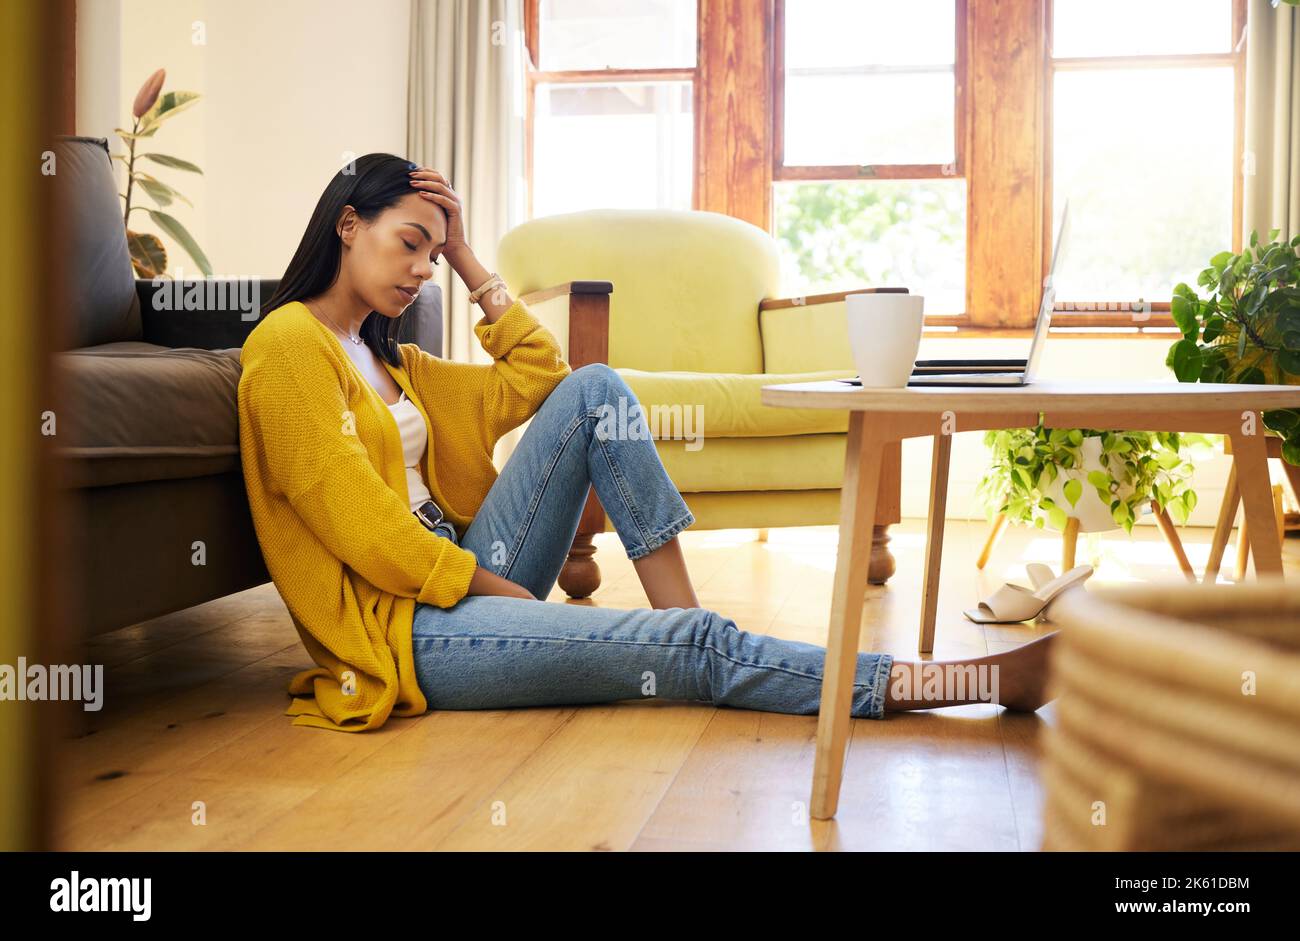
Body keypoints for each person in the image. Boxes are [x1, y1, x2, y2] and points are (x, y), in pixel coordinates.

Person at [236, 153, 1058, 733]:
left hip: (464, 568)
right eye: (409, 243)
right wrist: (494, 588)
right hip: (406, 629)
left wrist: (467, 258)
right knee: (690, 652)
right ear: (349, 225)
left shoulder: (392, 360)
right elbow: (366, 533)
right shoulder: (287, 347)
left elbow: (545, 373)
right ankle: (954, 681)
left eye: (432, 250)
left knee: (598, 391)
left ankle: (686, 620)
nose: (422, 268)